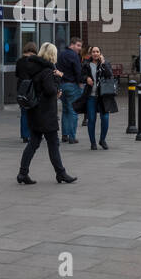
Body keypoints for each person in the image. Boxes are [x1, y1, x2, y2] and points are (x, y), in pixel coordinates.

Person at [17, 43, 76, 185]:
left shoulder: (32, 67)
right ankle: (61, 173)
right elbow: (50, 90)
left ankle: (22, 173)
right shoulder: (48, 70)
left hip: (34, 111)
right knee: (53, 143)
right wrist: (58, 79)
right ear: (52, 55)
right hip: (46, 113)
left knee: (33, 143)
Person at [82, 45, 119, 149]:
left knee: (105, 118)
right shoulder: (86, 64)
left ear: (100, 53)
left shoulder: (105, 63)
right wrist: (86, 78)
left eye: (97, 51)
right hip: (91, 96)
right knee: (91, 119)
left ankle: (102, 140)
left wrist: (103, 63)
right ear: (91, 54)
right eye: (93, 52)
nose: (95, 53)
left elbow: (110, 75)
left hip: (103, 96)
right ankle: (93, 143)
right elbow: (81, 76)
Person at [58, 36, 84, 144]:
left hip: (62, 85)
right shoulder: (74, 55)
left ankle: (64, 135)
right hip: (72, 85)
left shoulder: (61, 54)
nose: (79, 48)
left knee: (65, 110)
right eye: (78, 45)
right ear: (72, 44)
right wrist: (80, 83)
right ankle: (72, 137)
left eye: (80, 46)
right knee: (73, 111)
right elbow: (78, 71)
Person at [15, 41, 39, 142]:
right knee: (34, 112)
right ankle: (33, 134)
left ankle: (25, 135)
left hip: (22, 88)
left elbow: (17, 74)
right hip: (32, 88)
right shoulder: (35, 61)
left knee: (24, 112)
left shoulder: (19, 61)